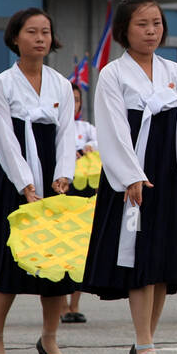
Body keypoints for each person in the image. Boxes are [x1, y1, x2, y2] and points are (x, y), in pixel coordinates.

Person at [80, 0, 177, 354]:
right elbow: (113, 130)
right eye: (142, 24)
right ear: (124, 29)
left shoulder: (176, 72)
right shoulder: (112, 74)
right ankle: (144, 343)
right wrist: (130, 176)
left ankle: (146, 341)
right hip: (132, 179)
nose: (151, 30)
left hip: (167, 176)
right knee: (139, 260)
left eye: (156, 23)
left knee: (159, 263)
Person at [0, 9, 77, 354]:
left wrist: (64, 175)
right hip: (13, 179)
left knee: (55, 262)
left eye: (46, 32)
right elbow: (5, 140)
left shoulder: (61, 83)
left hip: (53, 179)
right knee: (10, 261)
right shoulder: (2, 84)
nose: (40, 38)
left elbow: (67, 131)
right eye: (32, 32)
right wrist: (25, 184)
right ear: (15, 38)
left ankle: (49, 338)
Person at [62, 81, 97, 324]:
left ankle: (75, 304)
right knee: (62, 244)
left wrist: (86, 148)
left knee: (80, 247)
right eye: (70, 99)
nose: (74, 104)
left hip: (85, 192)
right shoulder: (57, 126)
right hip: (63, 189)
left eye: (77, 100)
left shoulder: (87, 127)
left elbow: (101, 142)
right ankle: (61, 305)